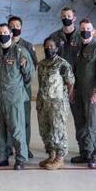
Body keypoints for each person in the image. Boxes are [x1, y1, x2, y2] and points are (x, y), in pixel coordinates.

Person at [0, 23, 32, 169]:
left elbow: (29, 76)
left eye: (5, 32)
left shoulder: (20, 51)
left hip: (14, 98)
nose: (2, 35)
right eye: (0, 32)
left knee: (17, 129)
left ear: (11, 34)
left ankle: (21, 158)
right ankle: (1, 157)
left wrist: (15, 88)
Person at [70, 19, 96, 165]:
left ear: (93, 31)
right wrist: (73, 89)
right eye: (82, 29)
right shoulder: (80, 48)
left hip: (93, 92)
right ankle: (85, 152)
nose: (85, 31)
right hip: (80, 91)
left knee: (94, 124)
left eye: (88, 29)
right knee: (81, 123)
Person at [36, 39, 75, 169]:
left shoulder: (62, 64)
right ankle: (51, 155)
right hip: (44, 102)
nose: (49, 49)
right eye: (46, 46)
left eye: (52, 46)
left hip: (57, 103)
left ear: (56, 48)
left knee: (57, 129)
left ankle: (60, 157)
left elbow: (70, 83)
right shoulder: (41, 64)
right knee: (45, 129)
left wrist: (66, 99)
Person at [6, 16, 39, 160]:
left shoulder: (28, 45)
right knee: (8, 118)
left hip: (24, 88)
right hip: (8, 89)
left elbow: (33, 66)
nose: (15, 28)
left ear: (21, 27)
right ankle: (8, 147)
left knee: (24, 119)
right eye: (12, 26)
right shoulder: (3, 44)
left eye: (17, 25)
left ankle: (25, 147)